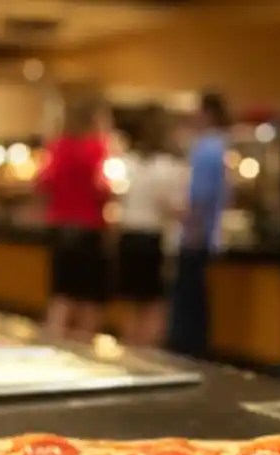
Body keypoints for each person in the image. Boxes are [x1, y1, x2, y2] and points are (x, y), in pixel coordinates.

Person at [37, 95, 112, 339]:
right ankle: (83, 351)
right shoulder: (98, 149)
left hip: (60, 228)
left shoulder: (57, 147)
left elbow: (43, 182)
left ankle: (54, 346)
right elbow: (103, 188)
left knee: (61, 295)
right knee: (89, 299)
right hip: (90, 229)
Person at [116, 105, 187, 346]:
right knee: (154, 303)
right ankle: (148, 353)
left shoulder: (126, 163)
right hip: (152, 238)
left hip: (127, 237)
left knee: (130, 303)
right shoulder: (168, 167)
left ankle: (129, 352)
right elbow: (174, 207)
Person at [167, 91, 229, 359]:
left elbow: (200, 199)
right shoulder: (220, 147)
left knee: (189, 310)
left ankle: (187, 358)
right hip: (206, 238)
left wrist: (191, 231)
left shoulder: (207, 149)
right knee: (197, 306)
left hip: (195, 239)